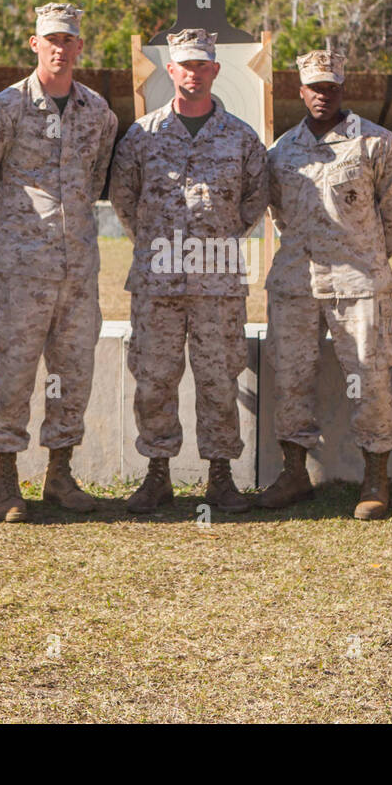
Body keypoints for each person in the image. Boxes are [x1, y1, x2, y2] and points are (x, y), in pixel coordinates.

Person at [0, 3, 119, 522]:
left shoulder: (98, 112)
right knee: (15, 370)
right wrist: (16, 228)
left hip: (78, 270)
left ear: (79, 47)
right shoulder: (5, 108)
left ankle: (60, 474)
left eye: (68, 39)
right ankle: (5, 478)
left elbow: (95, 179)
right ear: (34, 44)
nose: (59, 47)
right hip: (21, 271)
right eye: (50, 39)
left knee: (73, 371)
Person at [108, 28, 268, 513]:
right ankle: (157, 474)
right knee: (154, 377)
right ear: (171, 71)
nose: (193, 73)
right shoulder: (141, 135)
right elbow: (124, 198)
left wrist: (213, 242)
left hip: (217, 283)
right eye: (185, 65)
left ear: (215, 70)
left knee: (219, 377)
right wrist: (161, 246)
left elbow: (253, 201)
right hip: (157, 281)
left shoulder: (241, 137)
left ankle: (221, 476)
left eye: (202, 65)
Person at [259, 49, 392, 519]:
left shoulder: (376, 143)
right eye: (314, 88)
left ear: (342, 89)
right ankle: (294, 472)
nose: (322, 96)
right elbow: (278, 211)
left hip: (358, 283)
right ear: (300, 90)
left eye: (331, 88)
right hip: (296, 283)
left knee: (368, 375)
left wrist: (364, 256)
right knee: (290, 376)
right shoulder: (282, 150)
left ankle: (375, 478)